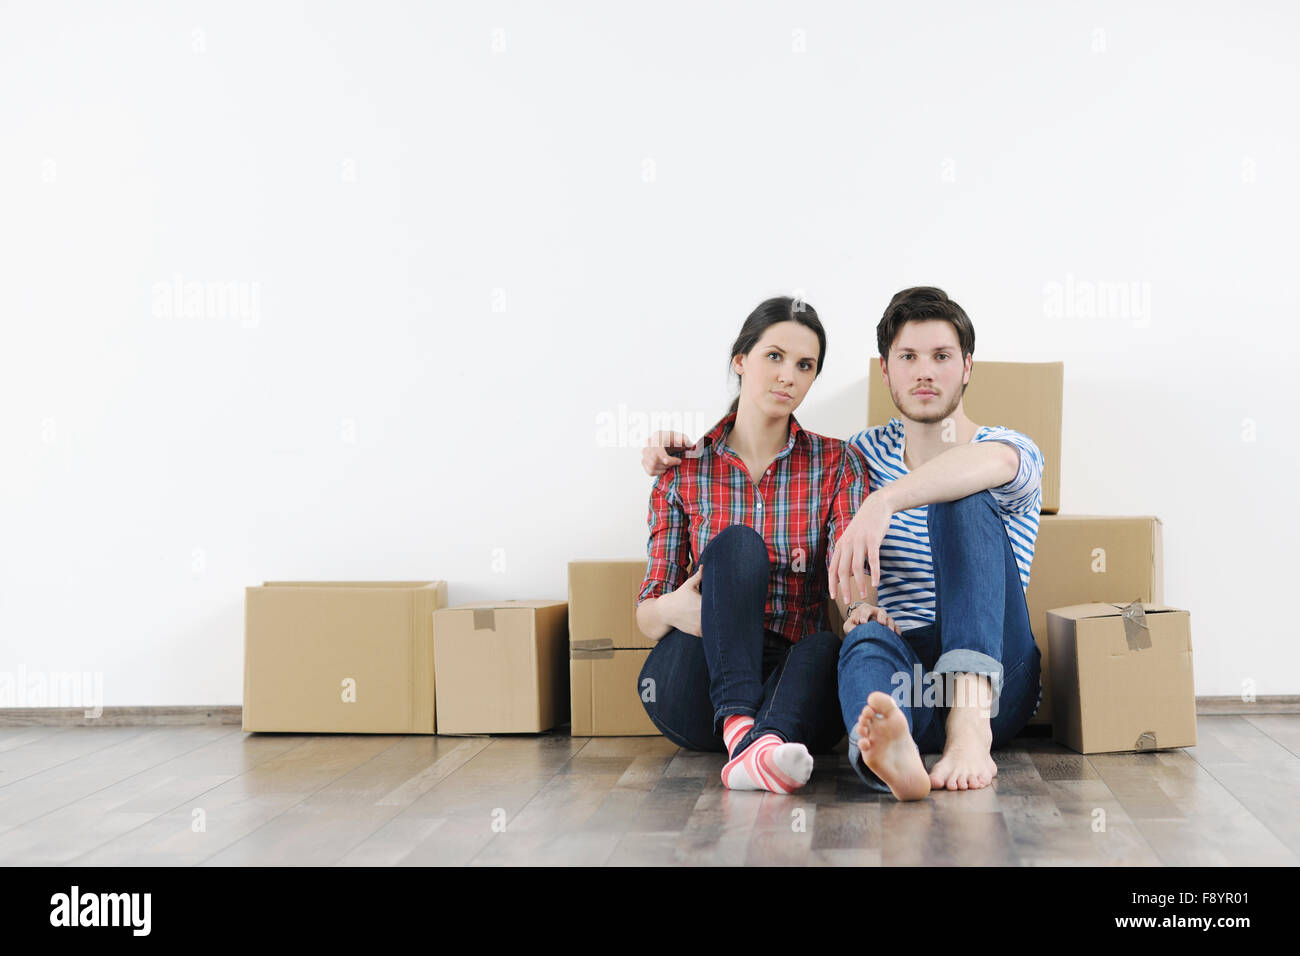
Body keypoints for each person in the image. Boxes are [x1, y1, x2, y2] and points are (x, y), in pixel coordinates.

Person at [645, 287, 1045, 802]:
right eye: (908, 357)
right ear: (886, 371)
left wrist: (886, 502)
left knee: (960, 499)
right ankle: (890, 759)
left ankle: (969, 730)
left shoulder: (1008, 447)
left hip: (997, 675)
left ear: (966, 366)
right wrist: (672, 448)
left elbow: (990, 466)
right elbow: (774, 451)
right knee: (859, 638)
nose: (925, 372)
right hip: (907, 670)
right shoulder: (857, 456)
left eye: (942, 357)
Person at [634, 296, 869, 795]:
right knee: (739, 545)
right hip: (694, 678)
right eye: (775, 356)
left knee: (827, 645)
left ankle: (756, 750)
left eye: (805, 366)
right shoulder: (683, 470)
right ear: (741, 360)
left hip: (793, 684)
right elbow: (647, 615)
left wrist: (861, 611)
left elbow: (849, 575)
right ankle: (744, 731)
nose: (788, 376)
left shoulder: (837, 463)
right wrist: (677, 606)